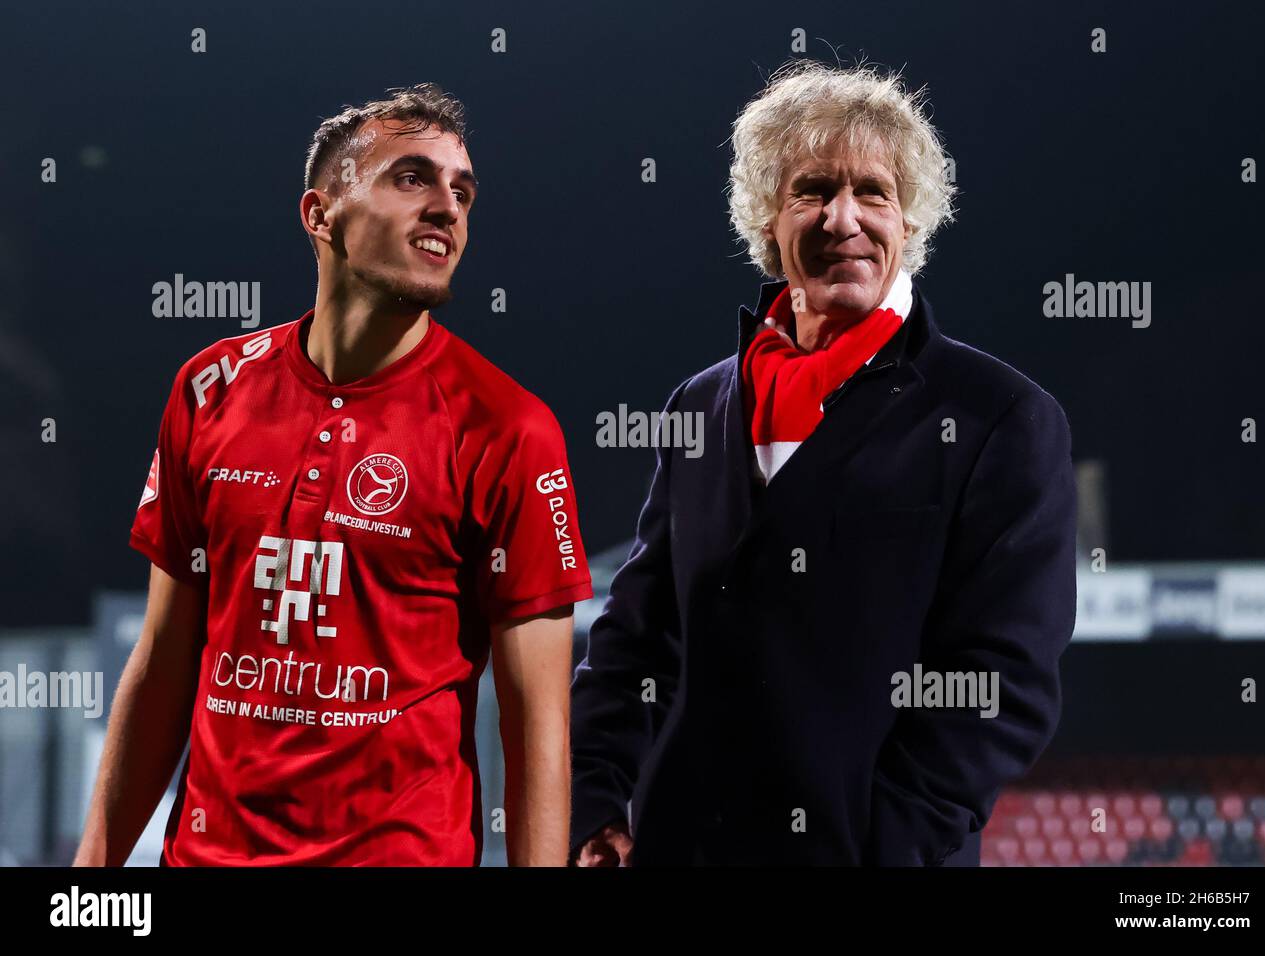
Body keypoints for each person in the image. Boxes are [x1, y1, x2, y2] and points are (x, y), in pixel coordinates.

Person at [570, 60, 1078, 866]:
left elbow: (1000, 681)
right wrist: (594, 797)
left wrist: (888, 842)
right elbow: (638, 635)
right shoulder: (699, 407)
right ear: (767, 220)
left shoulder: (998, 418)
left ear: (910, 221)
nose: (843, 218)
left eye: (873, 192)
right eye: (811, 189)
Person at [75, 84, 591, 866]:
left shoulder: (510, 429)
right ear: (320, 215)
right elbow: (163, 664)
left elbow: (538, 734)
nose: (448, 208)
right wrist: (94, 878)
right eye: (411, 177)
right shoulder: (210, 387)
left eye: (463, 190)